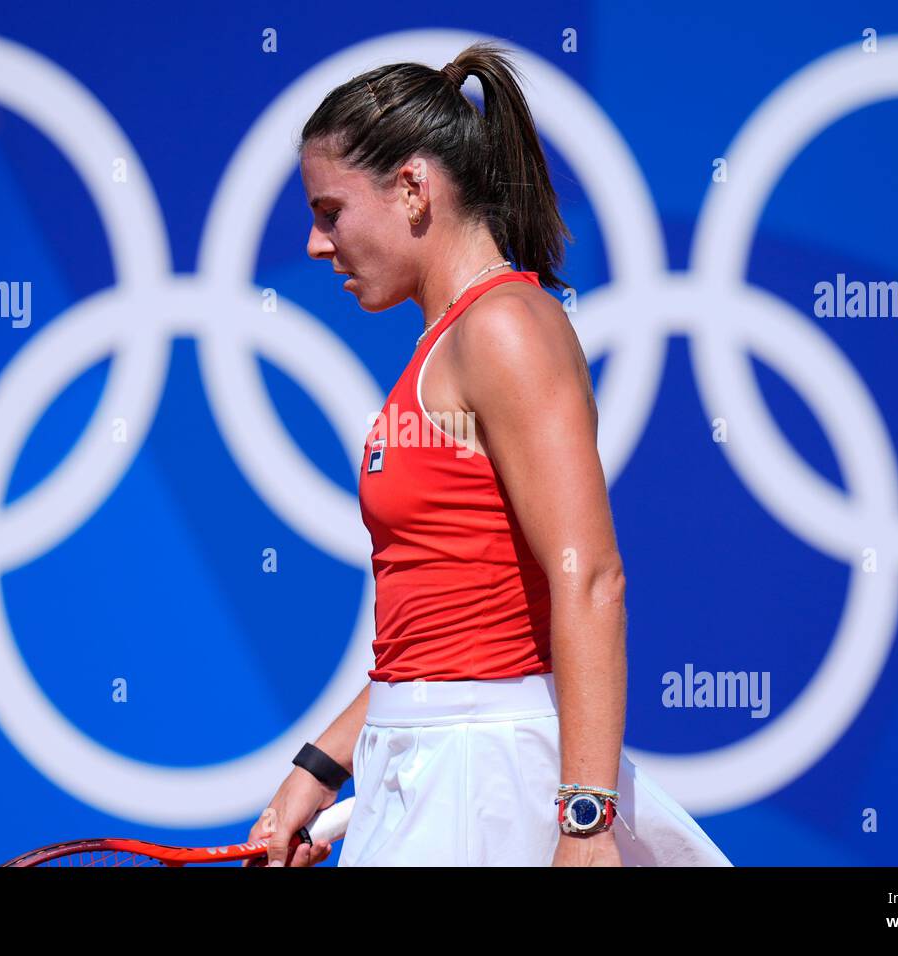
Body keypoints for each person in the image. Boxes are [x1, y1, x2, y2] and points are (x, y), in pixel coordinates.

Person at [245, 41, 731, 867]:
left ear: (412, 188)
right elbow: (444, 626)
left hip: (486, 779)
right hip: (434, 761)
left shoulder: (504, 329)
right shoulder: (449, 342)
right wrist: (320, 767)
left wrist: (585, 823)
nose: (316, 244)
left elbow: (590, 578)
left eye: (330, 211)